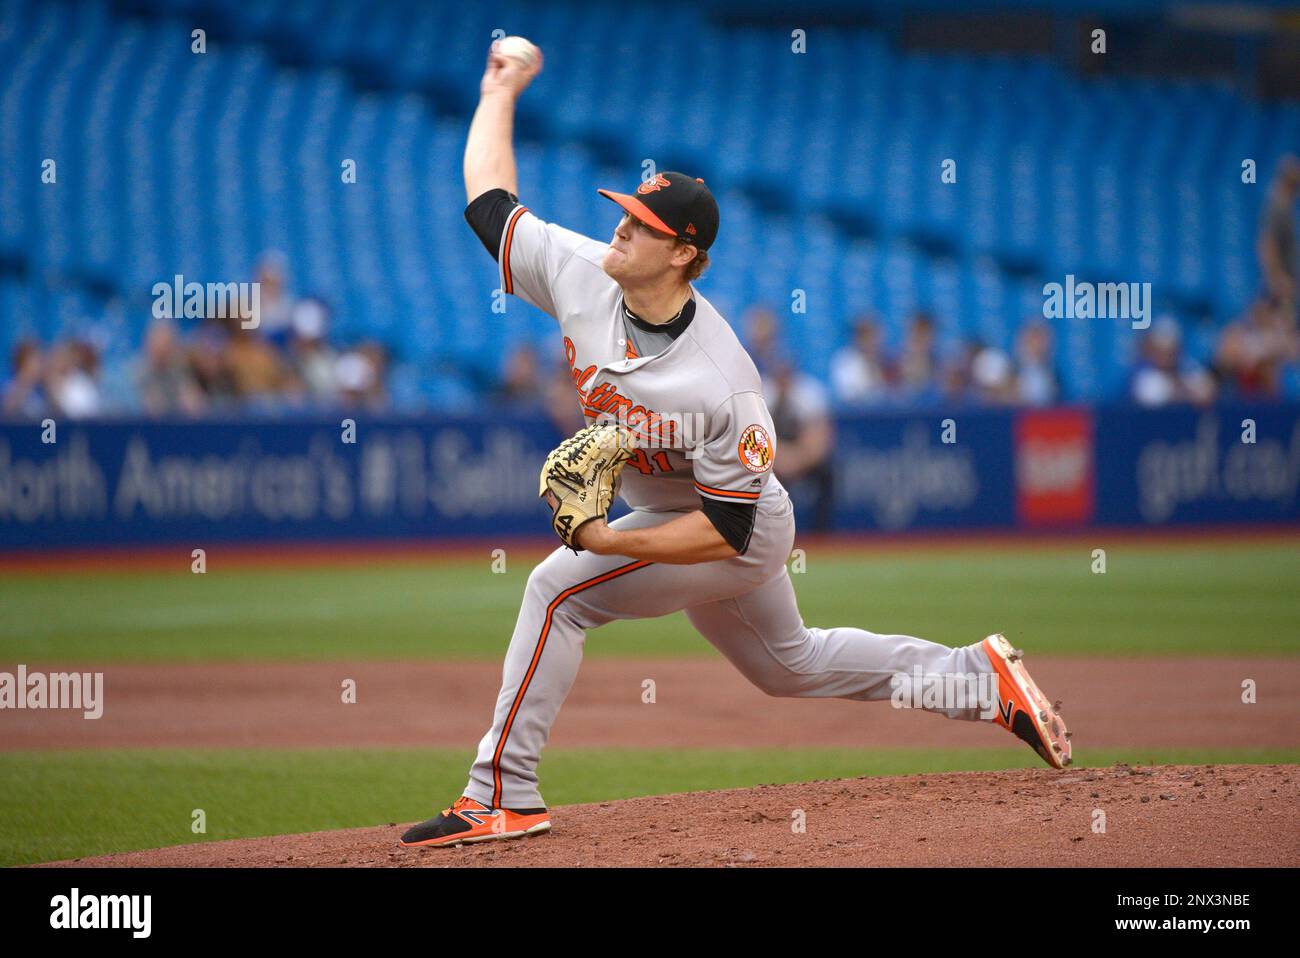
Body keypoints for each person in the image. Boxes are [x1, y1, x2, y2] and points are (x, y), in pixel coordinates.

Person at [397, 40, 1074, 849]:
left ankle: (501, 793)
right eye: (623, 211)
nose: (619, 227)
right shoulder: (583, 271)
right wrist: (500, 89)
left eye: (641, 225)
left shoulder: (723, 382)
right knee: (788, 667)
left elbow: (728, 529)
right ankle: (976, 680)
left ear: (683, 253)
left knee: (556, 592)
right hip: (683, 518)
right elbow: (489, 200)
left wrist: (607, 537)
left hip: (735, 527)